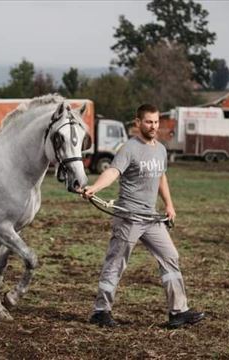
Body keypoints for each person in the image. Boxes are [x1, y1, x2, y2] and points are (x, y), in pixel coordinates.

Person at [82, 104, 205, 329]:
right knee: (116, 263)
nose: (153, 126)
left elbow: (161, 177)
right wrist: (95, 188)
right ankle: (101, 311)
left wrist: (169, 205)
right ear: (138, 123)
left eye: (156, 122)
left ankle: (178, 311)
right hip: (129, 217)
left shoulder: (160, 149)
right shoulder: (129, 148)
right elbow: (113, 172)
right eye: (149, 122)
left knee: (170, 256)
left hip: (151, 218)